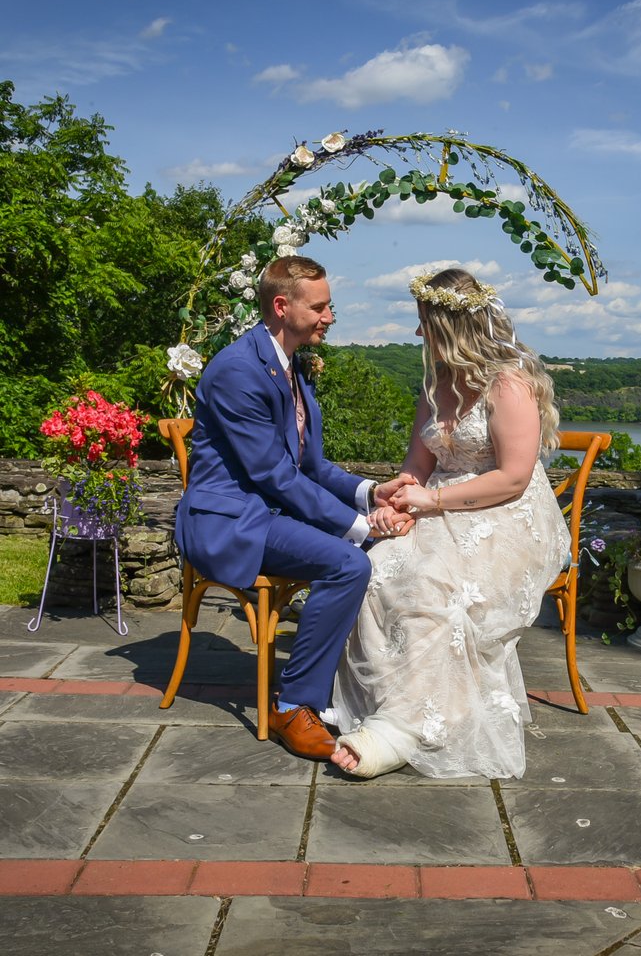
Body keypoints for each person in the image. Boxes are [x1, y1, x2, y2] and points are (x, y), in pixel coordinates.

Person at [325, 268, 571, 779]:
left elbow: (512, 477)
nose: (418, 335)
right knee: (376, 569)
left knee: (435, 589)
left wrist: (430, 501)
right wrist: (397, 500)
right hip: (439, 504)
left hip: (506, 517)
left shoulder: (509, 383)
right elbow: (418, 463)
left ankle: (404, 726)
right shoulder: (437, 383)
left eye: (425, 324)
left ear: (453, 328)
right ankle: (403, 707)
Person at [174, 255, 413, 761]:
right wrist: (356, 526)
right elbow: (271, 475)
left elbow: (312, 467)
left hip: (268, 513)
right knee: (349, 560)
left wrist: (373, 493)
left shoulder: (292, 368)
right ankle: (293, 705)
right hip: (230, 520)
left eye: (331, 307)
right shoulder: (239, 370)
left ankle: (368, 685)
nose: (330, 317)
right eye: (321, 307)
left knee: (397, 545)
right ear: (283, 306)